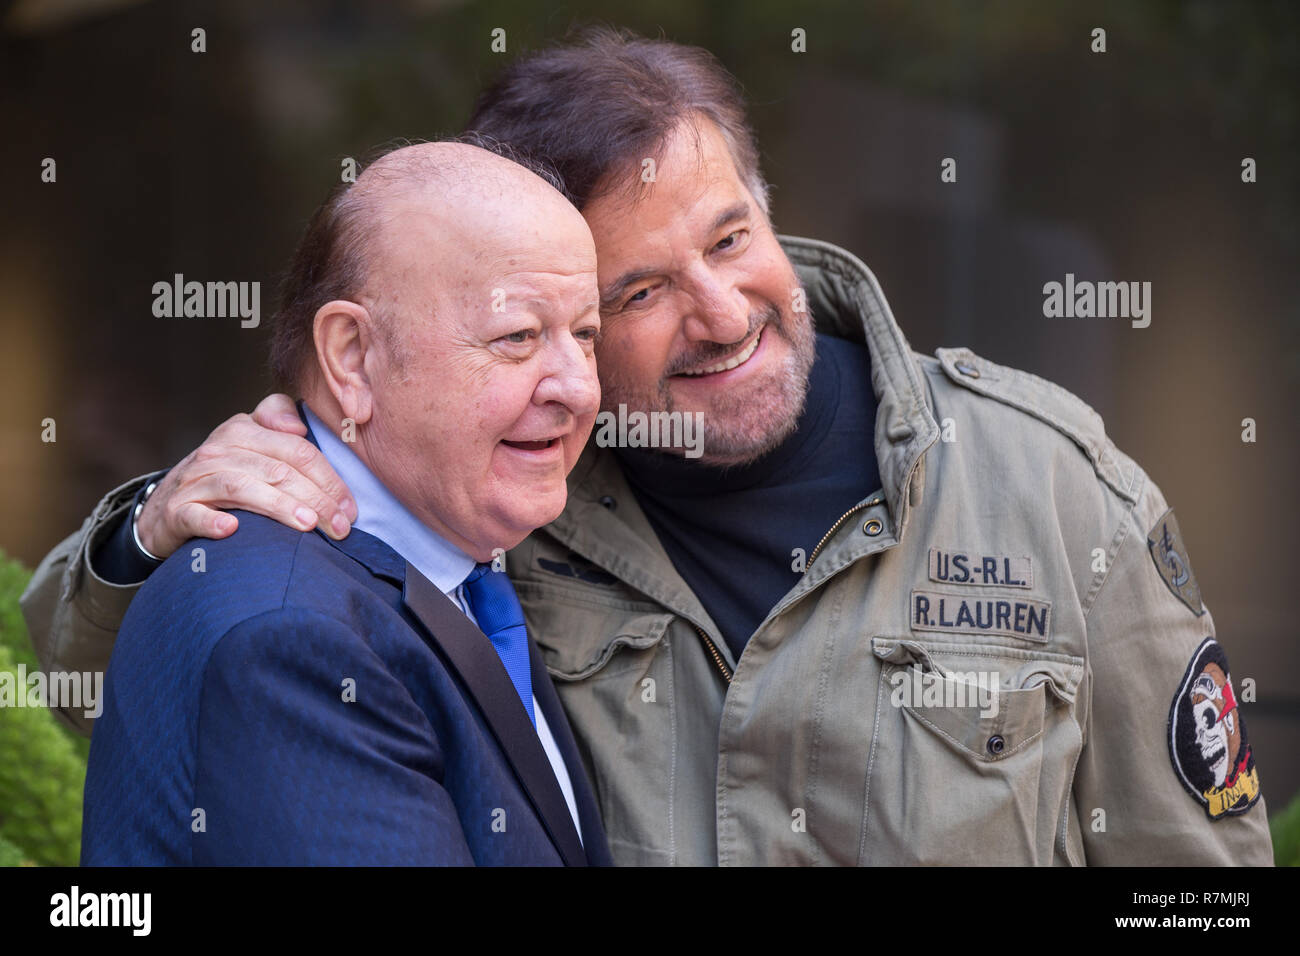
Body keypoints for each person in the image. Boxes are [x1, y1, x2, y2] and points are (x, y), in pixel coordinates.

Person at [26, 29, 1272, 866]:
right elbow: (110, 663)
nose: (722, 313)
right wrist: (153, 525)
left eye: (731, 240)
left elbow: (1199, 869)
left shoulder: (1049, 481)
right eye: (634, 295)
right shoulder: (501, 495)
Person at [77, 140, 612, 865]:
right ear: (353, 356)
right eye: (517, 336)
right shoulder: (290, 633)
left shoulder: (453, 555)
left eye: (584, 335)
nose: (579, 388)